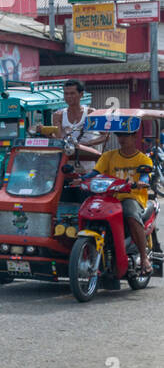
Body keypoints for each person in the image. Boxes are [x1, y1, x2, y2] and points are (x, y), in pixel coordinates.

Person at [92, 125, 154, 273]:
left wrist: (141, 182)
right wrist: (81, 178)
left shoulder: (143, 159)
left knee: (130, 215)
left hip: (132, 197)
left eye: (125, 135)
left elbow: (145, 176)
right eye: (119, 135)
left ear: (134, 136)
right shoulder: (108, 156)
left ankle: (144, 258)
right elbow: (94, 173)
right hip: (109, 198)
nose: (121, 139)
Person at [54, 79, 105, 172]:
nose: (69, 96)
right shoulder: (58, 115)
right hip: (67, 161)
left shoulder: (91, 113)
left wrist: (85, 145)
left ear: (81, 94)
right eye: (66, 94)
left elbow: (105, 136)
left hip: (88, 160)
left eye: (72, 93)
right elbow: (59, 138)